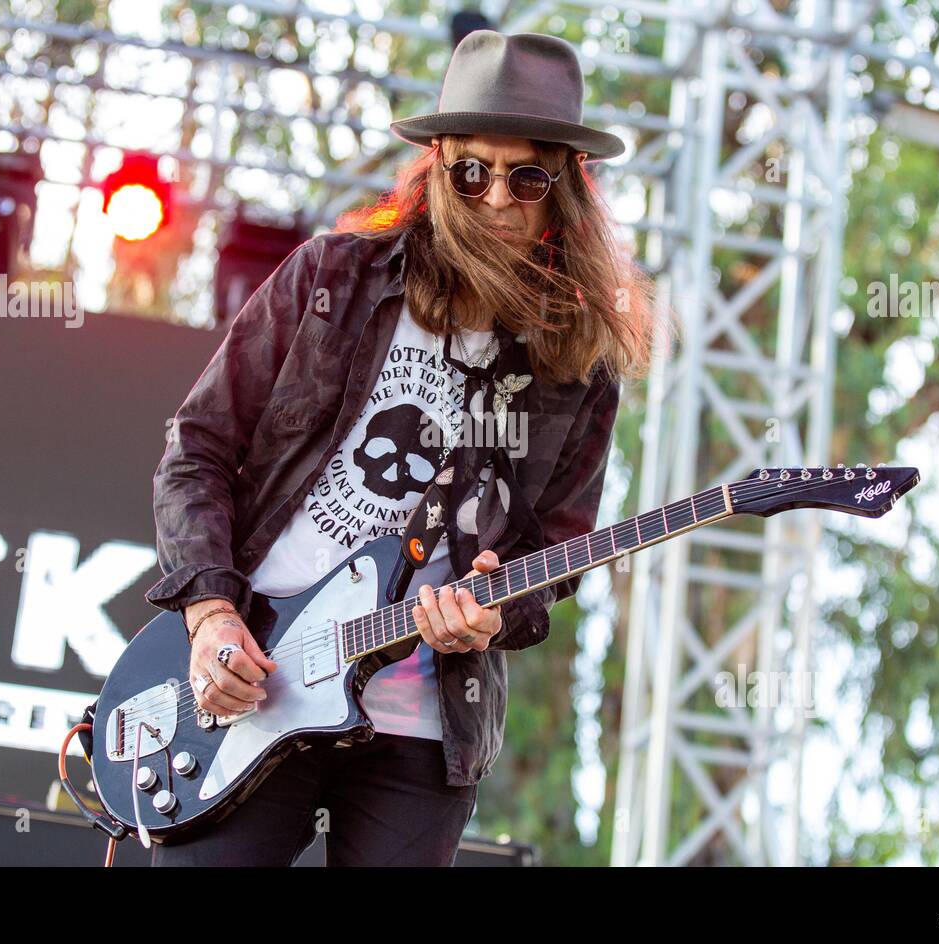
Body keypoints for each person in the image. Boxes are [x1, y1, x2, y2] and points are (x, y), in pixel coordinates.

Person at [144, 30, 656, 866]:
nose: (496, 198)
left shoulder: (579, 361)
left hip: (421, 726)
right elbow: (196, 448)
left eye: (526, 176)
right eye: (472, 171)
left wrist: (493, 612)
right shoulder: (332, 280)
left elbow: (555, 553)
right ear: (439, 166)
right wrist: (210, 616)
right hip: (258, 672)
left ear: (563, 184)